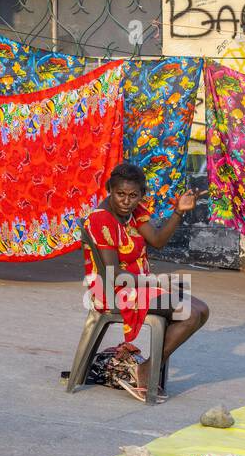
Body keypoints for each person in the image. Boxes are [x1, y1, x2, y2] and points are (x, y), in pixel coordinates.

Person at [82, 162, 210, 400]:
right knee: (189, 315)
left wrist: (179, 211)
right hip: (112, 289)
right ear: (110, 189)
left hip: (138, 284)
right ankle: (146, 369)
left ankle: (150, 366)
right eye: (120, 194)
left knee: (202, 309)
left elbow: (158, 240)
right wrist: (154, 283)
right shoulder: (102, 220)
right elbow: (113, 274)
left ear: (141, 195)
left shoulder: (135, 212)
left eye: (133, 195)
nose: (126, 201)